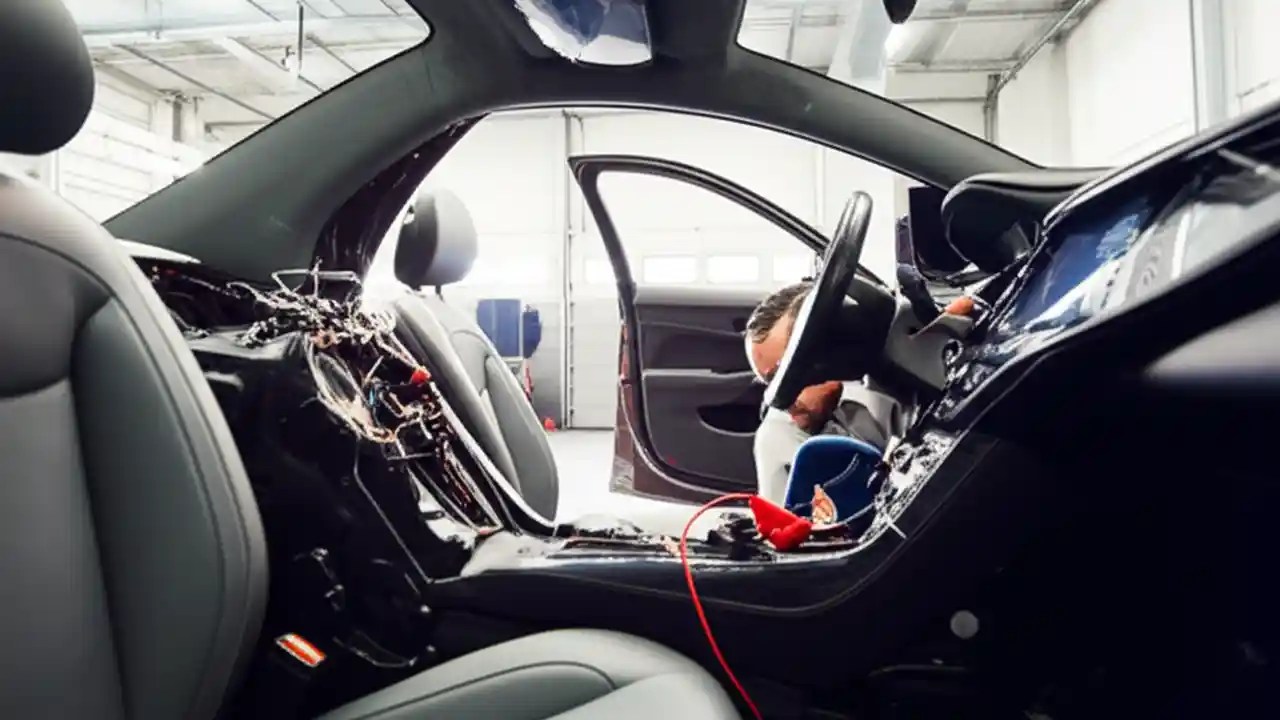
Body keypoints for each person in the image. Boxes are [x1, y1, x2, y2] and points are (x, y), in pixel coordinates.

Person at [745, 281, 905, 506]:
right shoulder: (778, 434)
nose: (780, 400)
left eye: (785, 376)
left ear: (828, 345)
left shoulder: (895, 372)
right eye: (770, 384)